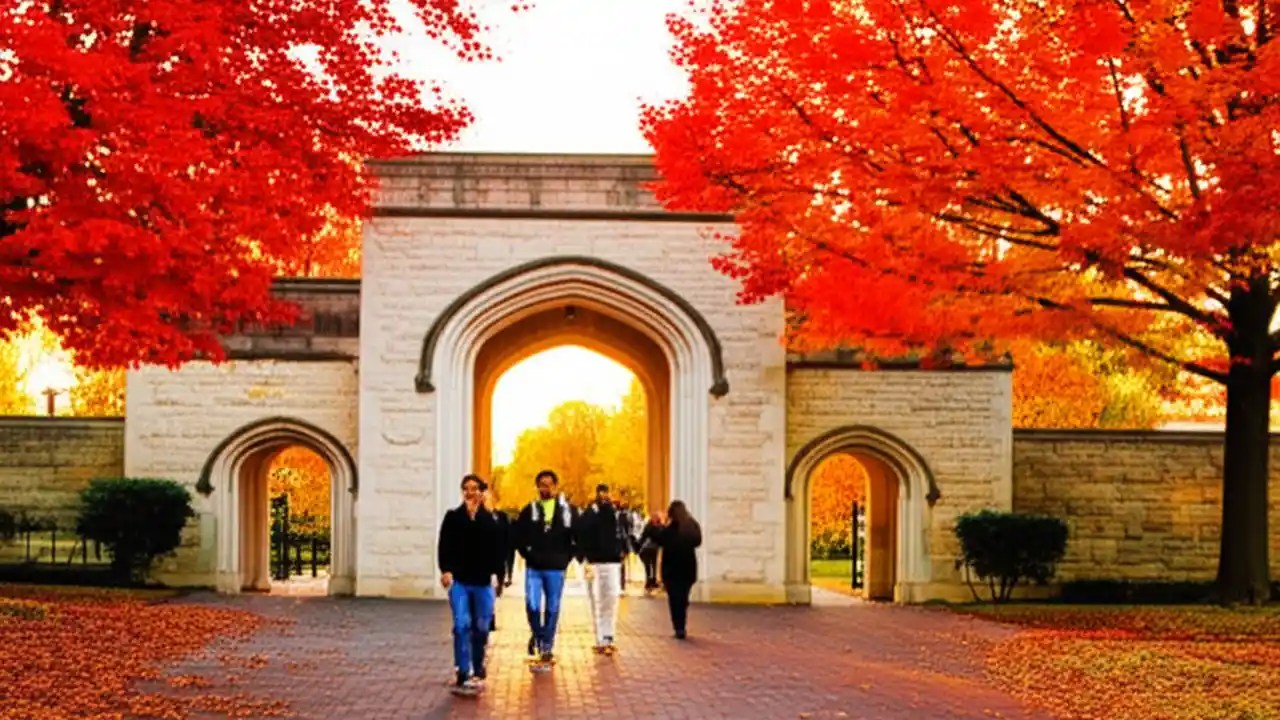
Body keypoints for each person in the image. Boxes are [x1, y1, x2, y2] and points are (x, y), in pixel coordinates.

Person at [437, 474, 504, 696]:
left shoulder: (490, 520)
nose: (470, 492)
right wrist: (445, 570)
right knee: (462, 624)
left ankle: (478, 664)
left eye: (474, 488)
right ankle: (463, 671)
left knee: (482, 627)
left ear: (481, 492)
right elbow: (444, 545)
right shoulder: (453, 517)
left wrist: (499, 578)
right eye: (466, 488)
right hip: (460, 582)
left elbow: (498, 549)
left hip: (483, 581)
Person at [513, 469, 577, 672]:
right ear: (537, 486)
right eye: (542, 484)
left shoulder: (567, 511)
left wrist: (566, 558)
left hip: (556, 569)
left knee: (552, 608)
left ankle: (546, 646)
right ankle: (538, 635)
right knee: (532, 606)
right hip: (534, 568)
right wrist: (528, 555)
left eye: (549, 484)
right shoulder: (529, 510)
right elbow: (518, 536)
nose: (545, 488)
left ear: (555, 486)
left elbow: (575, 536)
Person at [576, 483, 629, 655]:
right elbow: (581, 533)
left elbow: (623, 532)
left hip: (607, 562)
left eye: (606, 492)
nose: (604, 495)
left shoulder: (613, 513)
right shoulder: (593, 513)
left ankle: (607, 636)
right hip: (596, 562)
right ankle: (602, 637)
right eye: (602, 492)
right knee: (599, 600)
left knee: (608, 599)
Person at [657, 500, 702, 640]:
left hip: (671, 570)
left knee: (674, 600)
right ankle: (682, 624)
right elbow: (698, 541)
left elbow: (660, 540)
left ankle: (679, 627)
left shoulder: (670, 529)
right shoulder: (691, 526)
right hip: (687, 568)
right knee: (683, 598)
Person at [638, 511, 663, 596]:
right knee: (648, 566)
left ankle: (653, 581)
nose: (655, 519)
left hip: (654, 549)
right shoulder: (652, 527)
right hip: (648, 549)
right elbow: (644, 536)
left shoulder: (657, 527)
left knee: (654, 565)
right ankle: (649, 581)